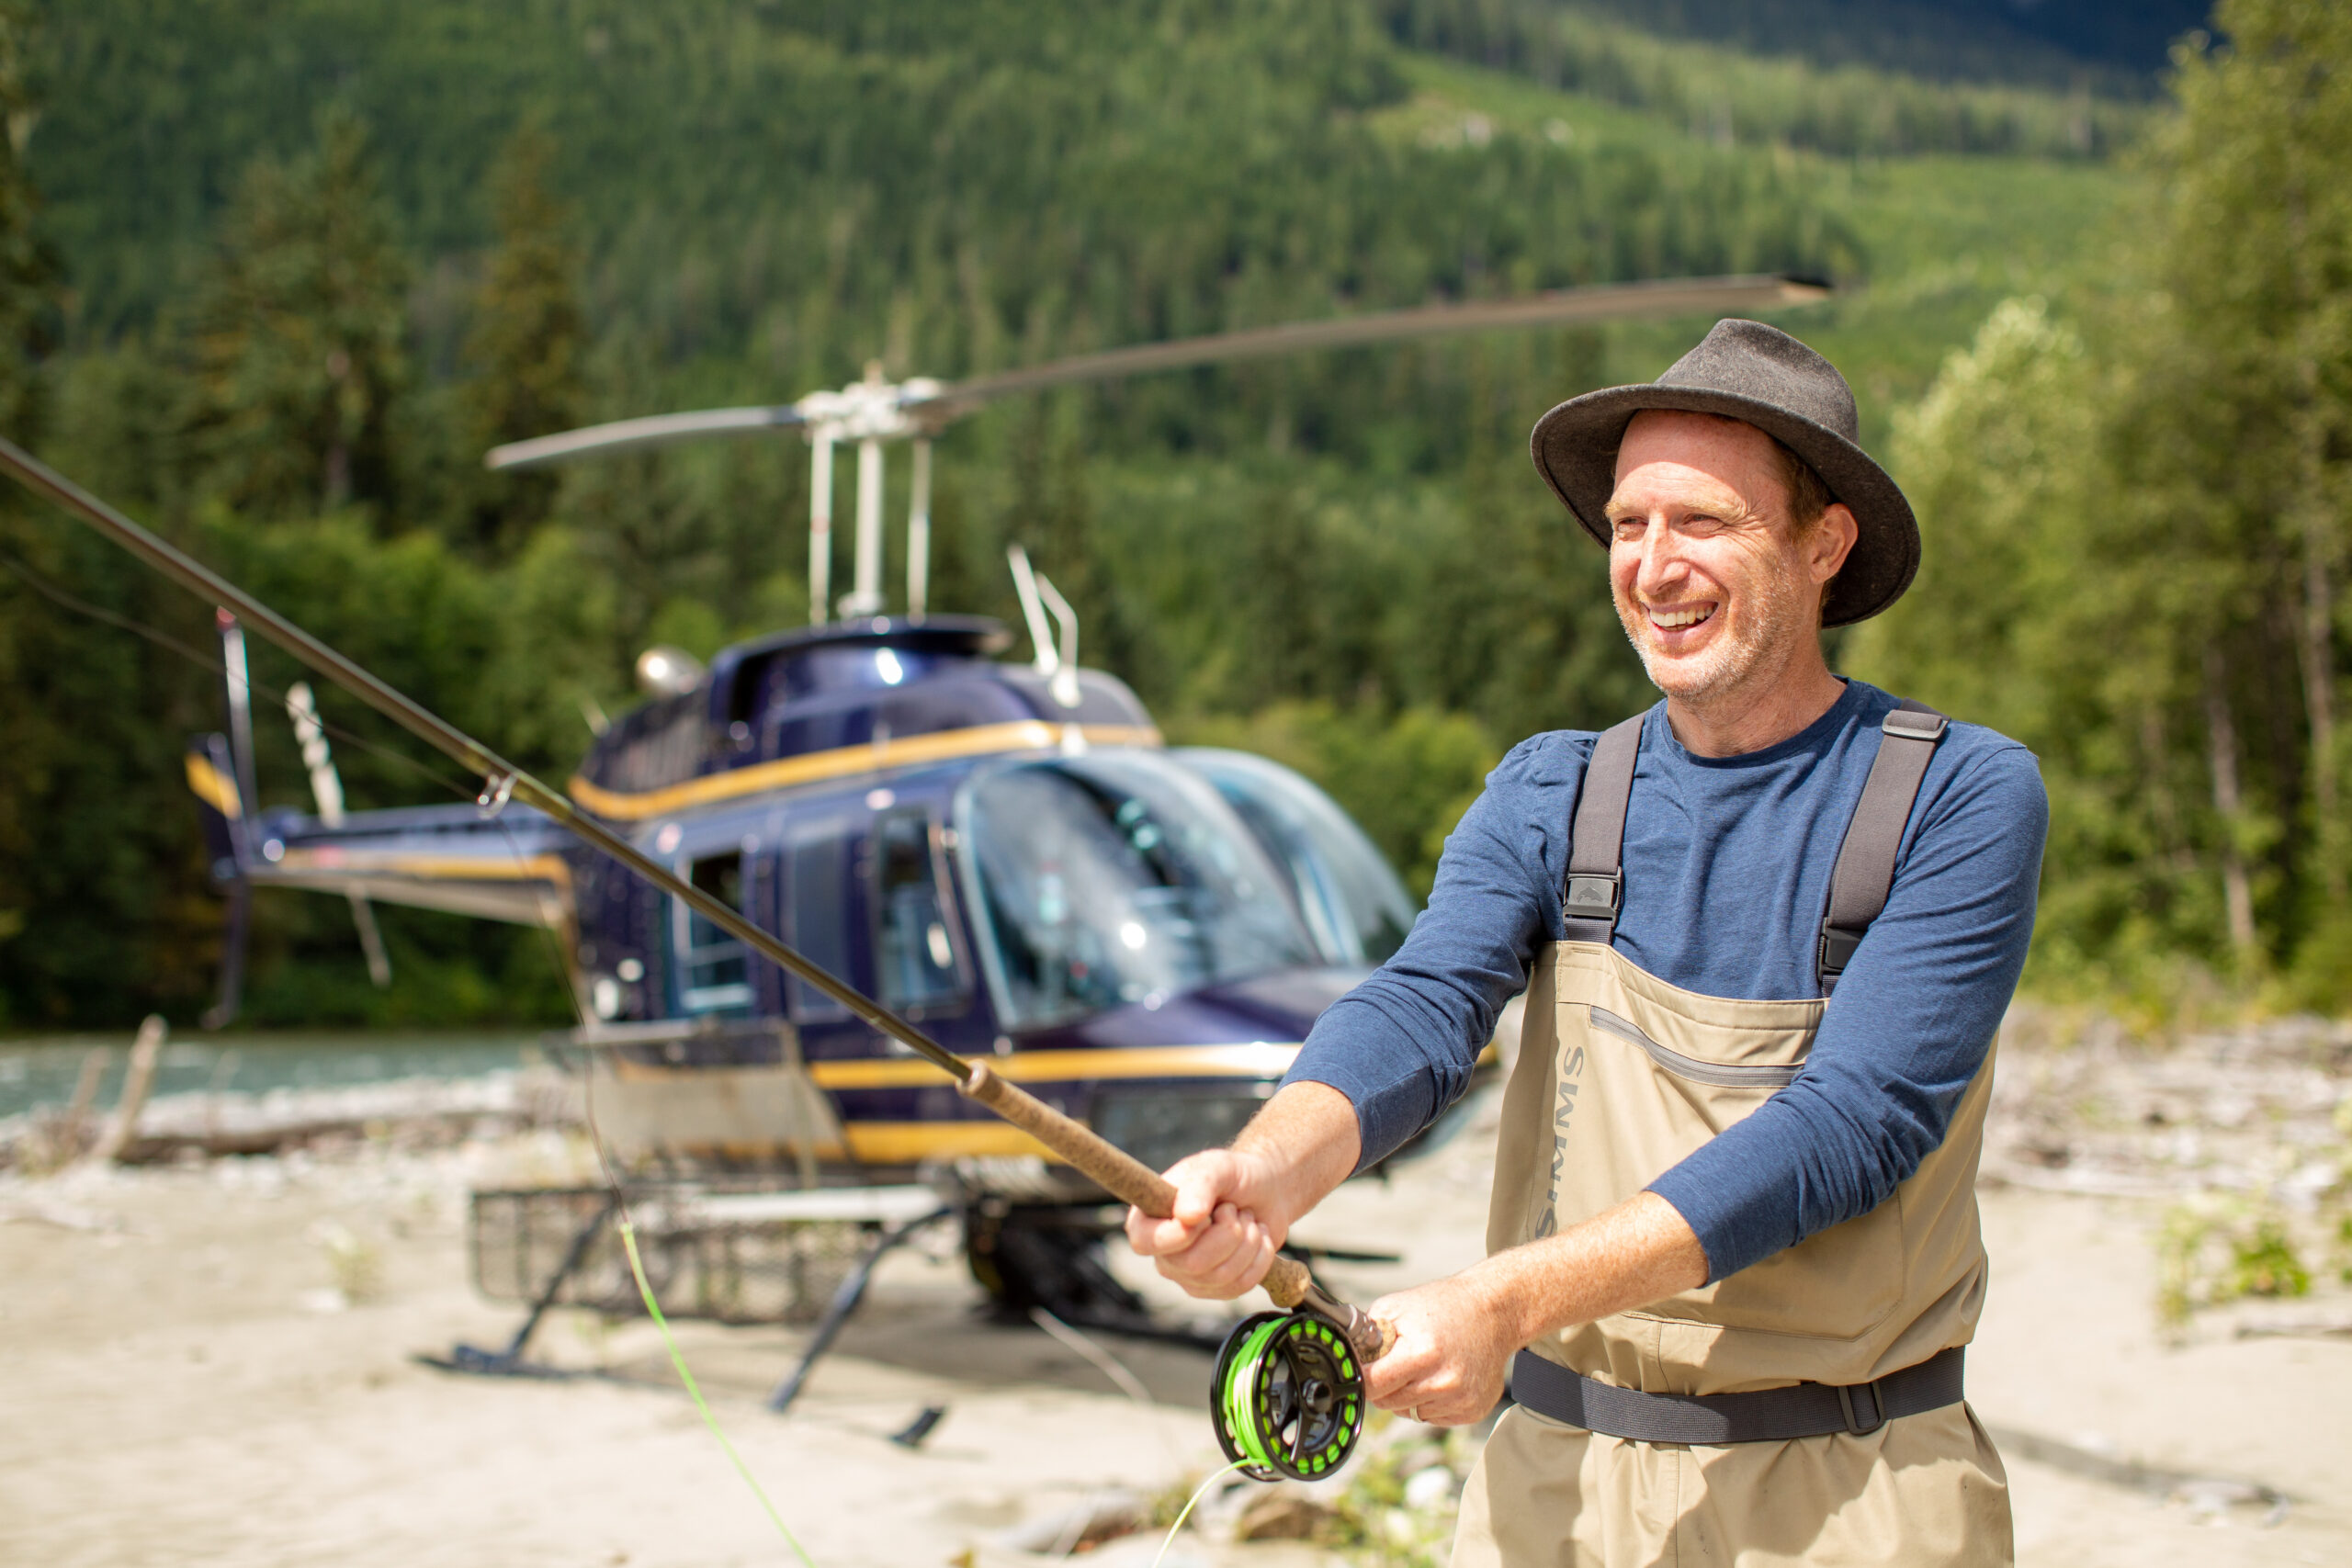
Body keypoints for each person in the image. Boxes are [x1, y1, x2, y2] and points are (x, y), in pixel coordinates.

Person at [1125, 319, 2046, 1564]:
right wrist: (1269, 1170)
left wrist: (1502, 1301)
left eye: (1703, 524)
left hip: (1854, 1494)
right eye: (1627, 526)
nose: (1654, 568)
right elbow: (1423, 1005)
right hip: (1548, 1494)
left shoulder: (1959, 795)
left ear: (1824, 545)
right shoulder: (1552, 789)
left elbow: (1855, 1124)